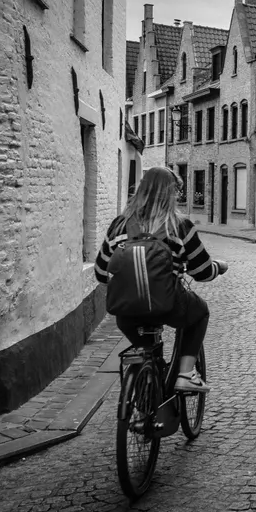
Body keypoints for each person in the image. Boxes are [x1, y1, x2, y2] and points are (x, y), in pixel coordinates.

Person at [94, 167, 228, 393]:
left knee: (144, 346)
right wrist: (219, 268)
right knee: (200, 313)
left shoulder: (118, 225)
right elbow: (202, 272)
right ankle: (186, 374)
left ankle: (145, 380)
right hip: (168, 306)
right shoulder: (179, 226)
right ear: (171, 194)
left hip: (126, 312)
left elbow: (100, 272)